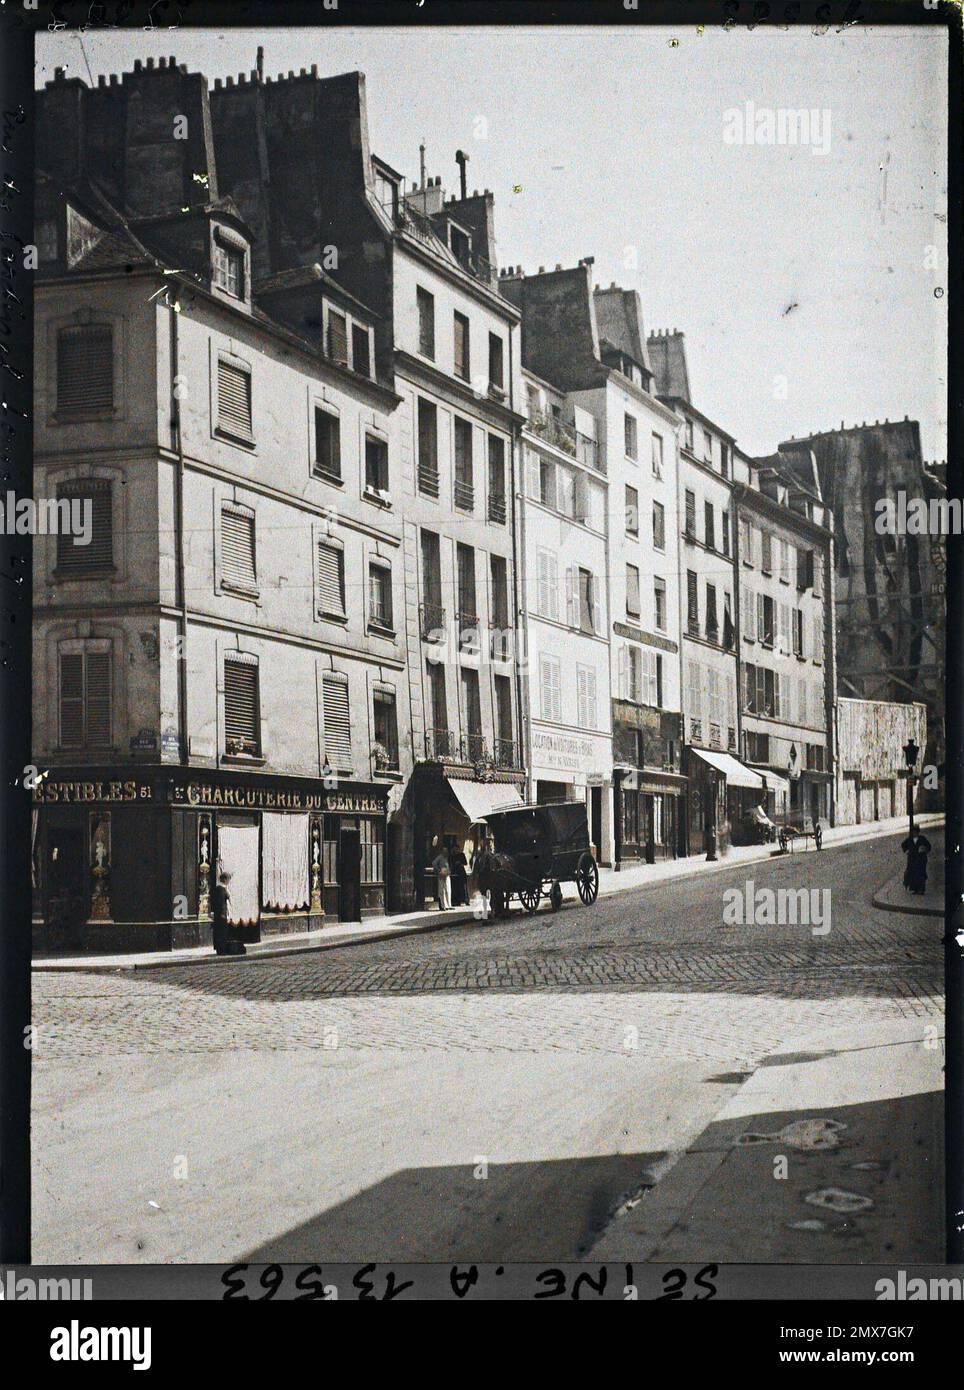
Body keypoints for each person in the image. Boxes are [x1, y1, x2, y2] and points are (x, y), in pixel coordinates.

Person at [211, 870, 245, 955]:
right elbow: (226, 902)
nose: (229, 882)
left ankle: (219, 949)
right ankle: (222, 950)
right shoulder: (222, 890)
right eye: (229, 880)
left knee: (218, 932)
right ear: (225, 880)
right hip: (222, 915)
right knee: (222, 933)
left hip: (217, 915)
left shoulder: (217, 889)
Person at [902, 829, 932, 896]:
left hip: (921, 859)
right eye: (913, 832)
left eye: (916, 832)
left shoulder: (922, 838)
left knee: (921, 874)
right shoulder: (909, 839)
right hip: (912, 860)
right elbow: (903, 845)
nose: (914, 833)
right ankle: (915, 889)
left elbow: (929, 846)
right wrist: (906, 851)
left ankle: (921, 889)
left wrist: (925, 850)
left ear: (918, 832)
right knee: (913, 874)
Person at [431, 839, 451, 910]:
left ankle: (448, 905)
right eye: (444, 850)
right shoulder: (440, 857)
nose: (446, 852)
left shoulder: (447, 857)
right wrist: (438, 871)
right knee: (441, 891)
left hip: (447, 874)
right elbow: (434, 863)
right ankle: (443, 906)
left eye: (446, 850)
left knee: (448, 890)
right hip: (441, 875)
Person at [449, 840, 469, 907]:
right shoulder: (451, 856)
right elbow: (450, 864)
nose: (456, 850)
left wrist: (460, 863)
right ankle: (455, 901)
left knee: (462, 887)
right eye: (454, 849)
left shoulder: (461, 855)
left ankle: (464, 900)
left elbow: (465, 863)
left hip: (461, 872)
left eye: (457, 849)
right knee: (455, 887)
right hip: (454, 872)